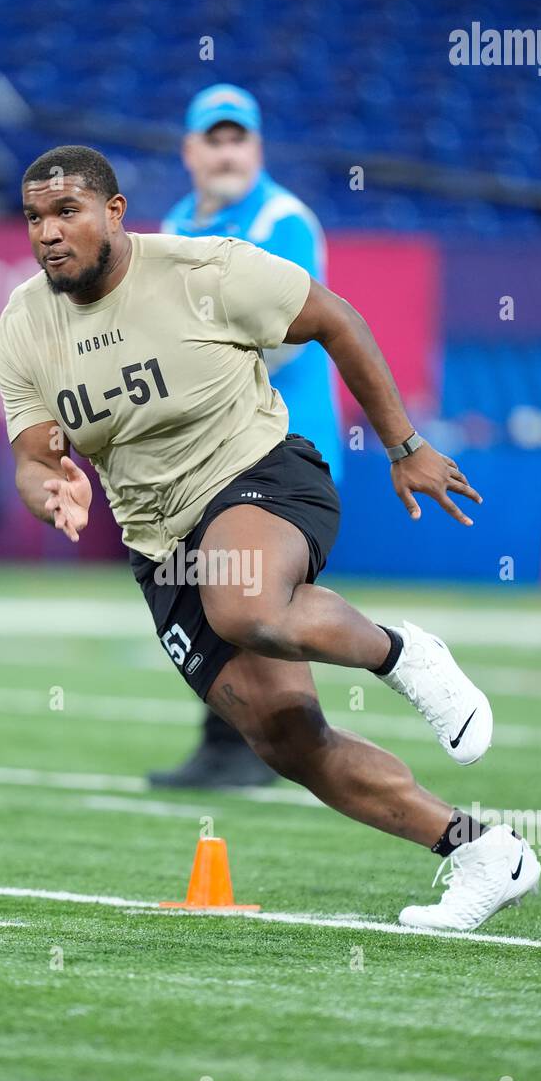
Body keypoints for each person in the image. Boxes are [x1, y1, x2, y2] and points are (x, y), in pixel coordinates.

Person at [0, 144, 541, 931]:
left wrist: (404, 446)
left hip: (262, 474)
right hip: (161, 545)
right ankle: (484, 853)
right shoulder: (21, 324)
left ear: (115, 212)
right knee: (287, 739)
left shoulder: (202, 271)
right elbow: (33, 453)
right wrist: (48, 482)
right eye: (35, 217)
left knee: (245, 605)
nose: (48, 232)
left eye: (67, 211)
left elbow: (336, 319)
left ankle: (403, 653)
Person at [151, 83, 341, 789]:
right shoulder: (174, 221)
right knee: (215, 594)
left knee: (258, 600)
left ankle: (295, 743)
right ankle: (227, 743)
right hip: (209, 449)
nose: (227, 151)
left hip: (284, 442)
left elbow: (284, 333)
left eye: (239, 139)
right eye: (215, 138)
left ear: (257, 149)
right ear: (190, 151)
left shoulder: (283, 219)